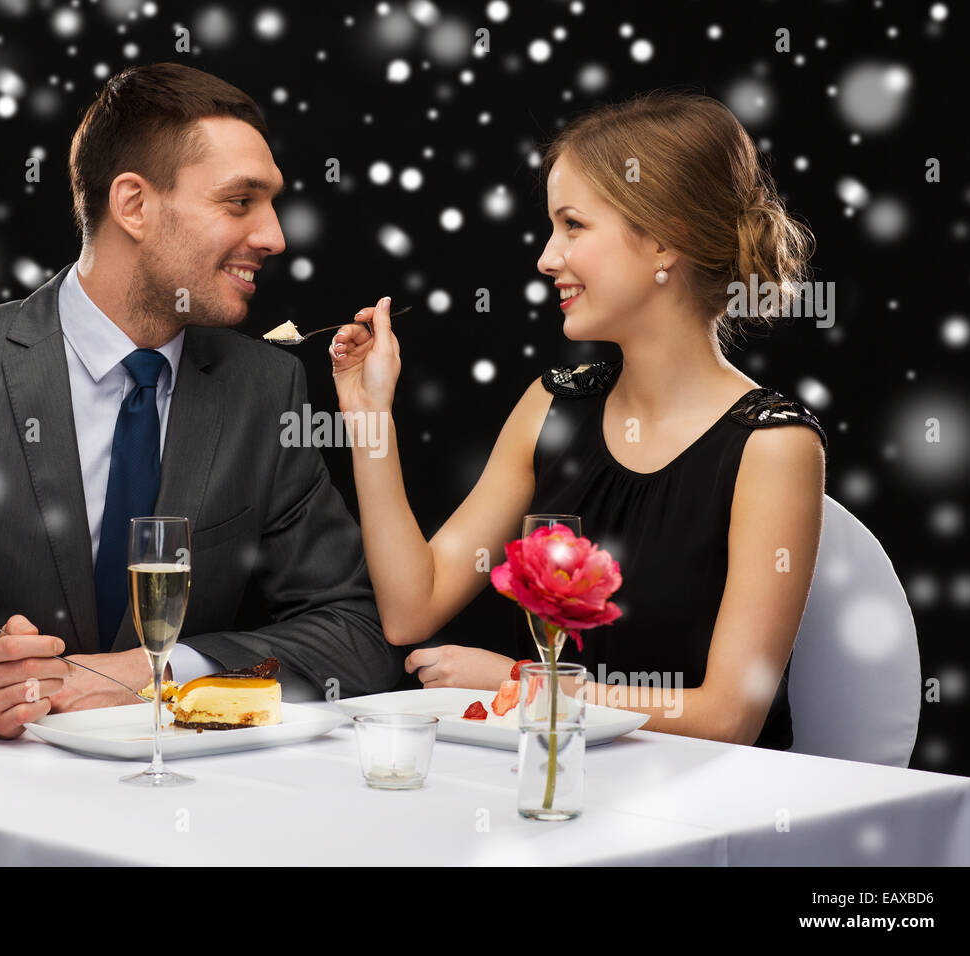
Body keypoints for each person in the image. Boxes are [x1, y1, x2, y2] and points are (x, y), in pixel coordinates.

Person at [0, 63, 402, 743]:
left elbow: (353, 635)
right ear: (134, 205)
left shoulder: (266, 389)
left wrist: (161, 675)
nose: (274, 237)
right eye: (240, 202)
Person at [329, 91, 826, 750]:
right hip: (556, 788)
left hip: (707, 812)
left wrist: (527, 683)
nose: (545, 257)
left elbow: (729, 717)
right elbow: (411, 608)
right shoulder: (552, 405)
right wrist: (370, 422)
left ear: (663, 241)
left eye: (573, 226)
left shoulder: (773, 446)